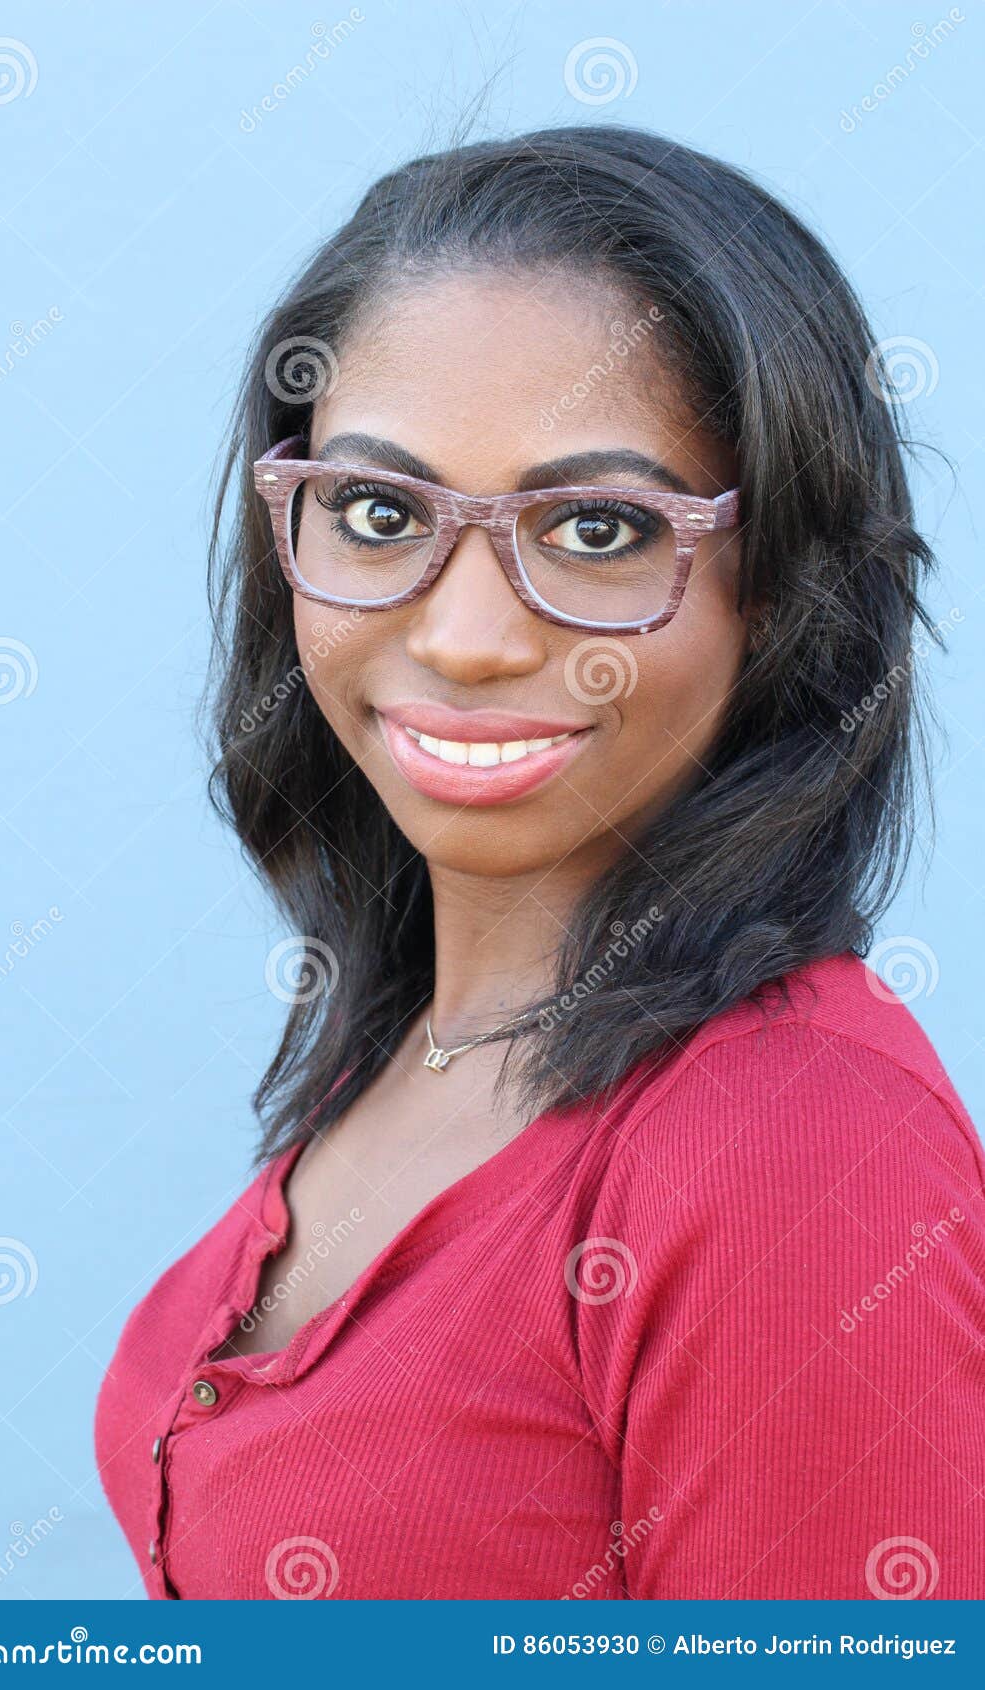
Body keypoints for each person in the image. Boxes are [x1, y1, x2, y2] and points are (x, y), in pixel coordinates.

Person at [95, 126, 985, 1601]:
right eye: (382, 514)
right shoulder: (405, 1047)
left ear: (778, 591)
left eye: (596, 529)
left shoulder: (793, 1153)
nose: (465, 635)